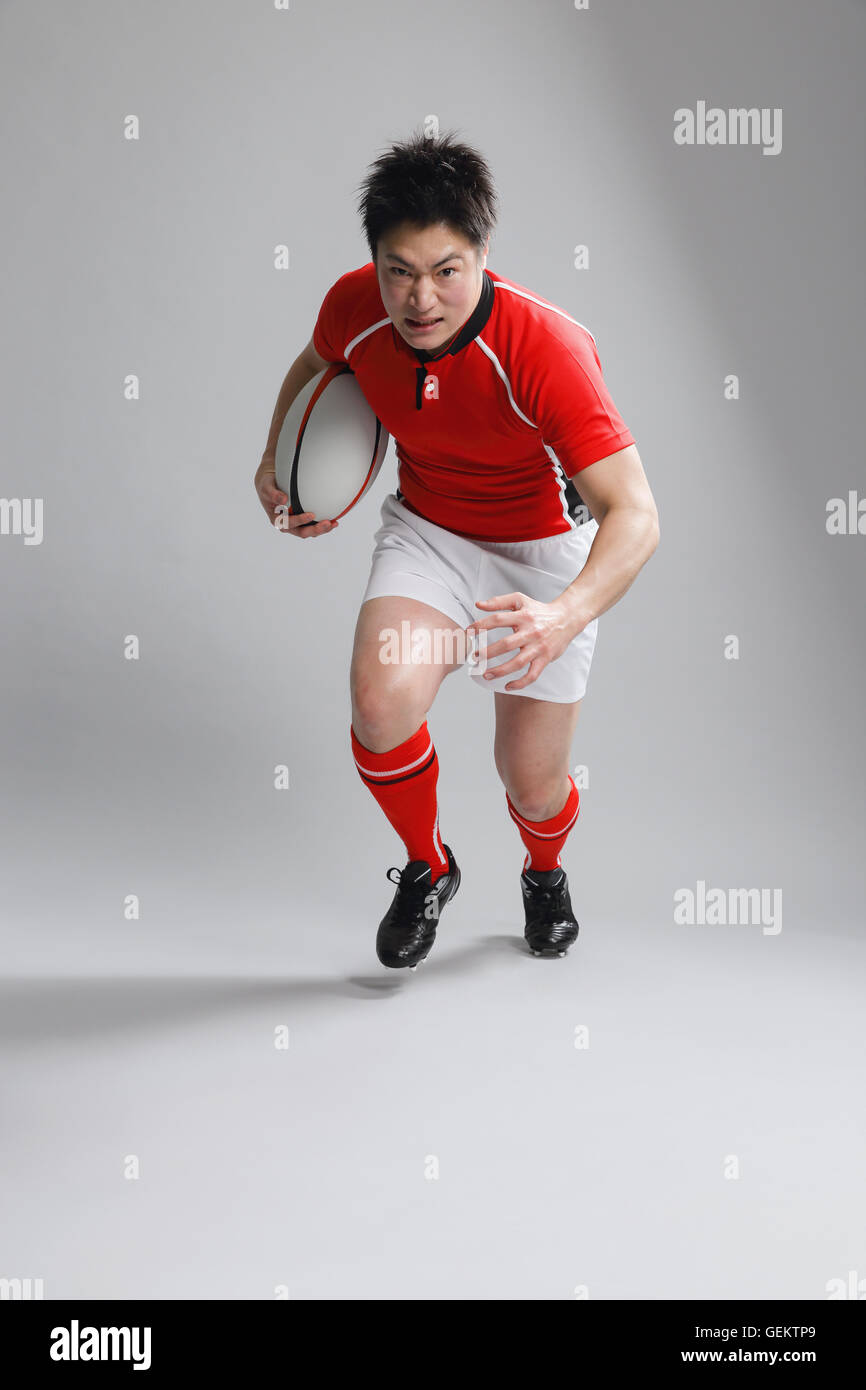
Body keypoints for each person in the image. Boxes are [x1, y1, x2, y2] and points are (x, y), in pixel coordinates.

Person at [254, 129, 659, 970]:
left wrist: (563, 614)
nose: (421, 298)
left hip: (544, 559)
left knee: (532, 780)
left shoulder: (546, 348)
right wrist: (277, 462)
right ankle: (429, 868)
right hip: (430, 535)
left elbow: (636, 515)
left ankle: (544, 874)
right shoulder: (353, 307)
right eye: (399, 270)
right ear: (375, 263)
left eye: (446, 270)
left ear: (482, 254)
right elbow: (312, 364)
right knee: (380, 699)